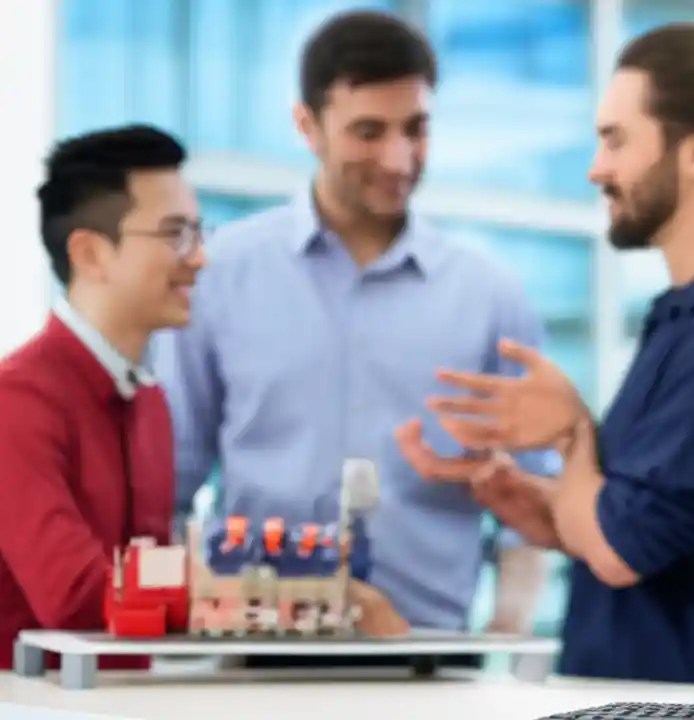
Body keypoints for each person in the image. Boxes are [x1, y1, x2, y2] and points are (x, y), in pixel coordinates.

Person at [394, 23, 694, 691]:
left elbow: (617, 548)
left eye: (615, 140)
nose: (595, 168)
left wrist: (571, 431)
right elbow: (654, 524)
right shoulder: (692, 319)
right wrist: (541, 506)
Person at [150, 9, 555, 656]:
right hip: (253, 653)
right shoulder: (220, 274)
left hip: (436, 661)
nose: (398, 158)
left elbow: (533, 500)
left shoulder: (490, 296)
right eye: (368, 131)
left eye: (415, 128)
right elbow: (168, 484)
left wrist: (506, 635)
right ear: (305, 125)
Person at [0, 125, 204, 671]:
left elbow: (148, 589)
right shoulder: (15, 402)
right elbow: (76, 598)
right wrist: (251, 598)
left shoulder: (150, 402)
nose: (200, 258)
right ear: (90, 253)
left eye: (198, 232)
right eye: (175, 234)